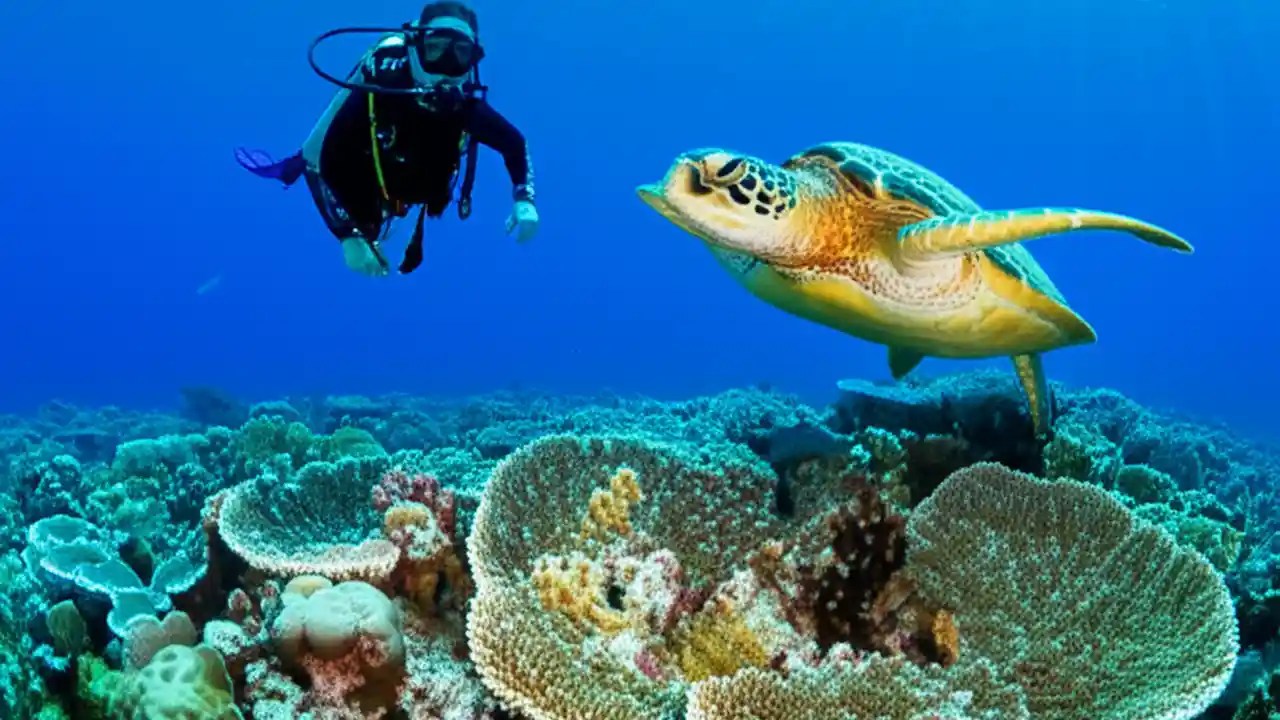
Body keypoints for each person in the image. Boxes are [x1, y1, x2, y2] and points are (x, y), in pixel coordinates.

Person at [235, 1, 538, 277]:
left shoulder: (465, 108)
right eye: (435, 47)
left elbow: (514, 143)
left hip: (421, 187)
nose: (446, 64)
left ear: (472, 61)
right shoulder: (381, 88)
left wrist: (524, 199)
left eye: (459, 53)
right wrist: (348, 235)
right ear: (416, 46)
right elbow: (326, 159)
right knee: (363, 218)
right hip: (366, 184)